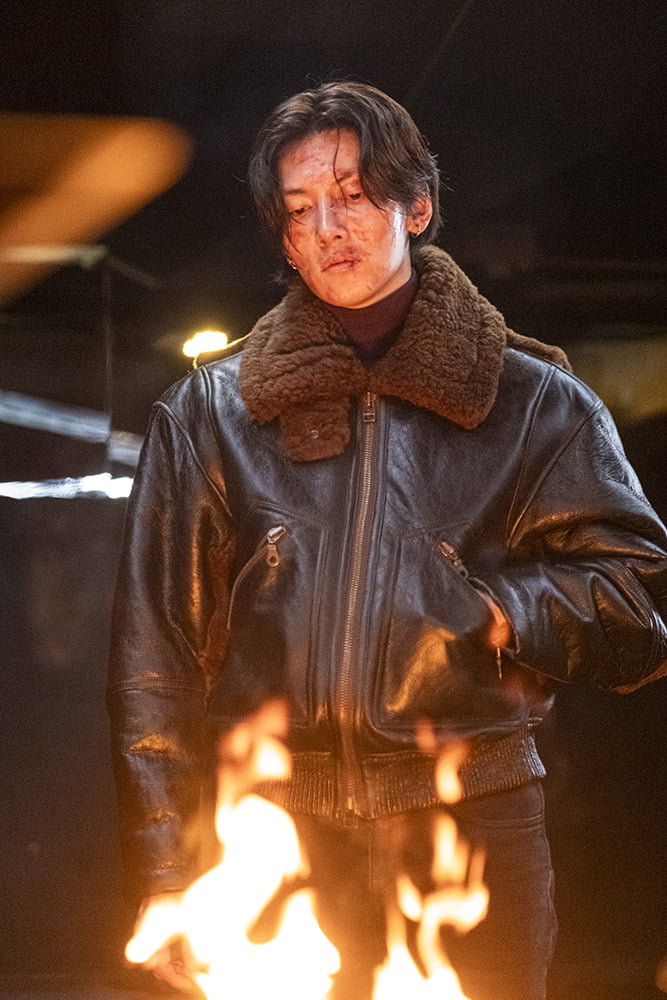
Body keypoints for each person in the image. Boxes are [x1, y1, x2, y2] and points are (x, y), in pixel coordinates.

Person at [107, 81, 667, 1000]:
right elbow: (153, 659)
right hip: (269, 834)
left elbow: (637, 613)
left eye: (353, 195)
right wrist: (167, 868)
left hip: (471, 827)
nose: (326, 227)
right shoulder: (211, 411)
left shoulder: (534, 404)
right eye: (298, 210)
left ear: (417, 206)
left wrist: (495, 608)